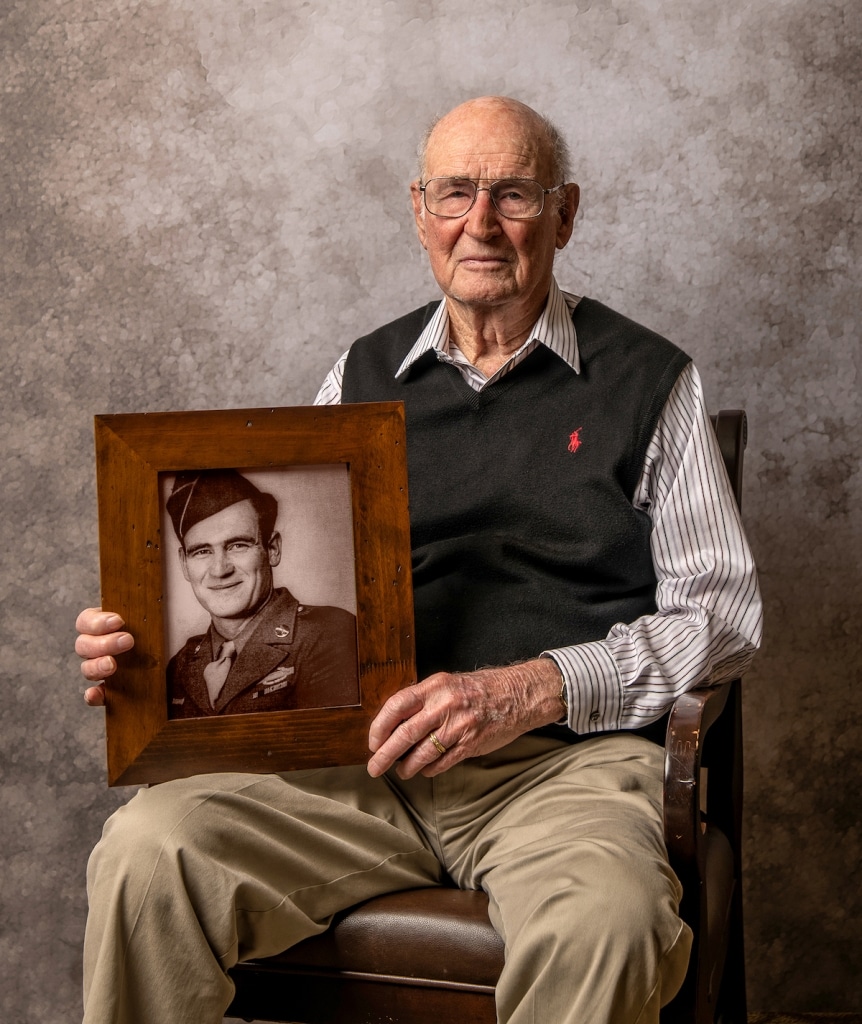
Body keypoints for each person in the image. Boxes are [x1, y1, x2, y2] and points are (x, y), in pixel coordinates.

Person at [75, 96, 762, 1024]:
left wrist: (530, 689)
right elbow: (284, 589)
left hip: (564, 772)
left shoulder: (650, 380)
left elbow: (721, 620)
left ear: (564, 214)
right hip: (367, 773)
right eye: (455, 192)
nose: (480, 222)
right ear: (418, 211)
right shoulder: (359, 376)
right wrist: (146, 654)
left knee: (608, 921)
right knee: (147, 852)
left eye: (513, 194)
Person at [163, 468, 358, 718]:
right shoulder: (180, 665)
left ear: (272, 549)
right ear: (184, 564)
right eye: (202, 551)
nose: (220, 569)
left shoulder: (329, 634)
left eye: (237, 545)